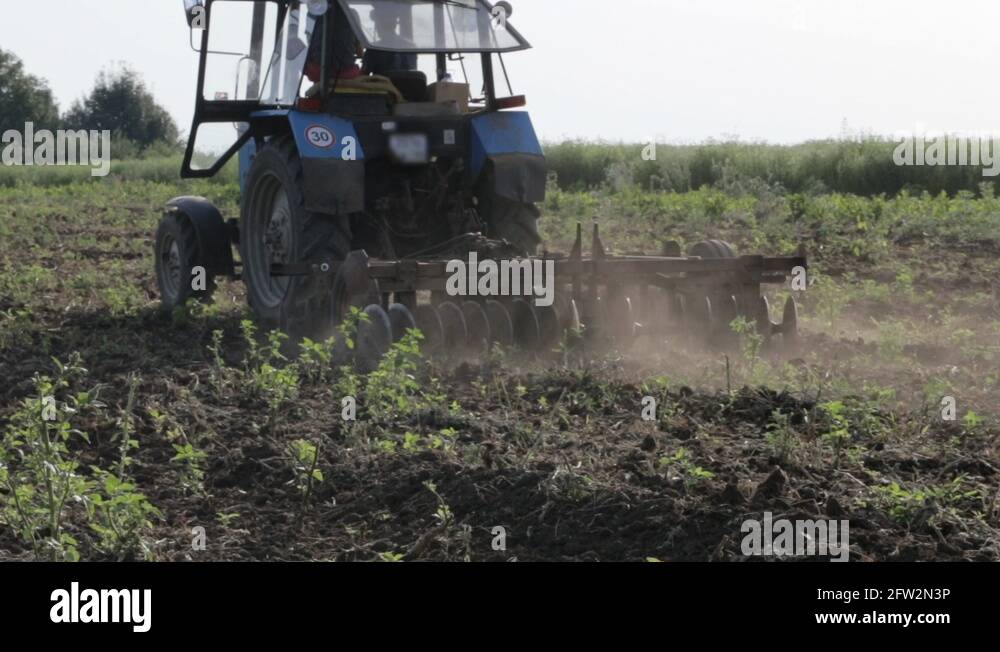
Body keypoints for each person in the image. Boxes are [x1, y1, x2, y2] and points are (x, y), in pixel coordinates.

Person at [361, 5, 417, 76]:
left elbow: (364, 75)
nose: (376, 28)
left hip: (382, 86)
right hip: (406, 86)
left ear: (379, 25)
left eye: (377, 23)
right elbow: (412, 72)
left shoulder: (373, 49)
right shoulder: (411, 46)